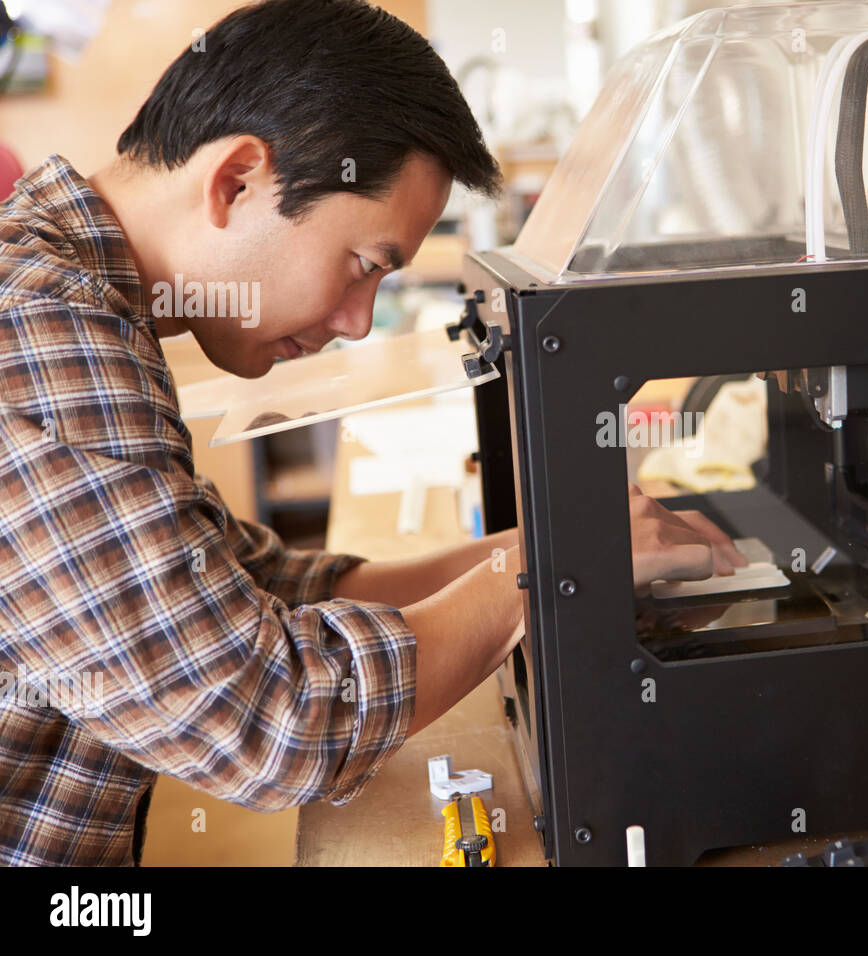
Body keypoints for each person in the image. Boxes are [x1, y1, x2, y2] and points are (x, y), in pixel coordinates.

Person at [0, 0, 743, 866]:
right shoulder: (40, 329)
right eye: (366, 267)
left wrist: (521, 551)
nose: (358, 323)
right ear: (236, 181)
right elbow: (268, 719)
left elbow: (250, 585)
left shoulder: (88, 299)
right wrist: (556, 569)